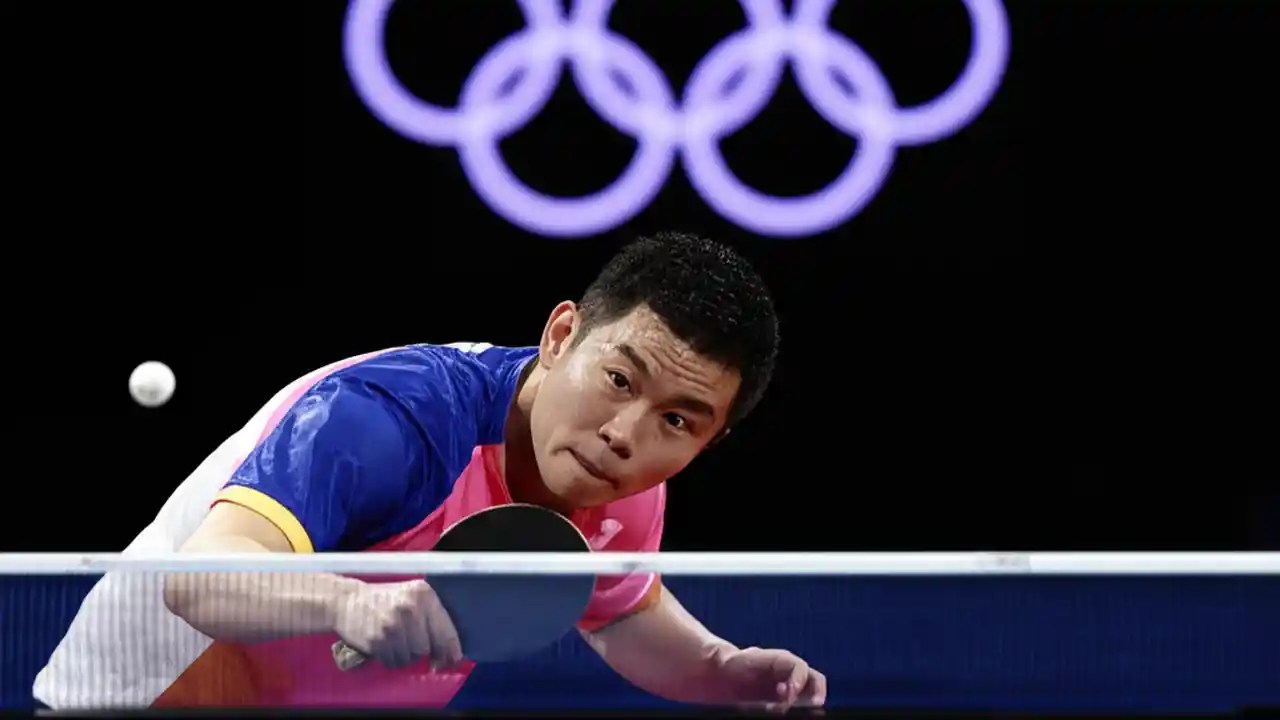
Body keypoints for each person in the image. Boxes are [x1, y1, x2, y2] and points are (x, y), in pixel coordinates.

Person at [33, 232, 826, 712]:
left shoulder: (622, 474)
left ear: (709, 439)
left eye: (678, 420)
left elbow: (617, 615)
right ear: (561, 336)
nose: (626, 433)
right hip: (148, 697)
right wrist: (344, 601)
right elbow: (198, 580)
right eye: (618, 379)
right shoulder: (389, 418)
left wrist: (721, 669)